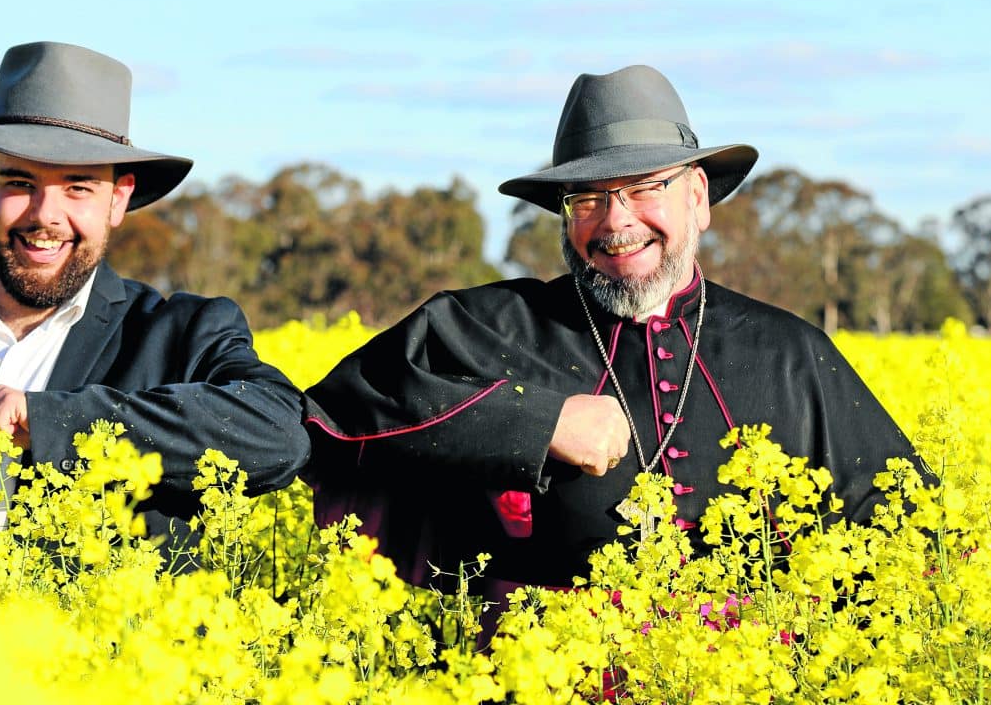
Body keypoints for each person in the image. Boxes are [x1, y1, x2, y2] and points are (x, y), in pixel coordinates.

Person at [304, 64, 929, 592]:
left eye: (643, 188)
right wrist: (536, 423)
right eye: (588, 199)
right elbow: (328, 419)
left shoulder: (791, 353)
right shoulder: (488, 327)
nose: (615, 221)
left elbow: (909, 537)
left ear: (699, 198)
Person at [0, 41, 310, 534]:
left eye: (78, 187)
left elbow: (280, 435)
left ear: (118, 200)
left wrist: (58, 421)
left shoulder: (180, 334)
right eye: (21, 183)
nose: (45, 215)